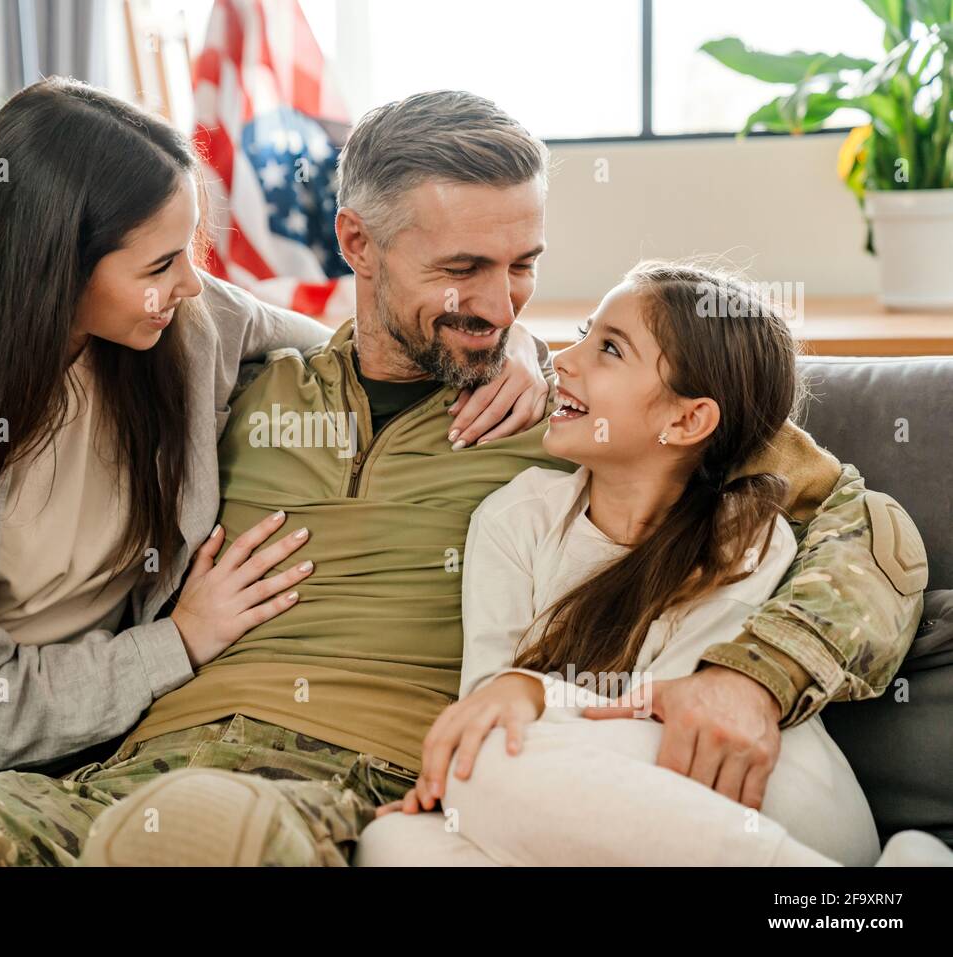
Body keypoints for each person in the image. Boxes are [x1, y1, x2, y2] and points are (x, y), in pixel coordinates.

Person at [0, 90, 925, 867]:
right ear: (354, 245)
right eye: (462, 267)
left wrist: (754, 678)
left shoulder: (582, 410)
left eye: (524, 266)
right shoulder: (210, 369)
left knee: (201, 839)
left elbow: (865, 527)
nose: (505, 306)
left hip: (348, 789)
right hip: (128, 766)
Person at [0, 79, 545, 867]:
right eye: (162, 264)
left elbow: (368, 349)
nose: (194, 284)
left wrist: (527, 352)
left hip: (111, 745)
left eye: (189, 252)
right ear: (56, 268)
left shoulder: (188, 334)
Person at [359, 262, 950, 867]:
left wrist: (528, 698)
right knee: (395, 843)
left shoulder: (744, 533)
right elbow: (487, 704)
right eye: (586, 333)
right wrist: (487, 738)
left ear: (687, 419)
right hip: (610, 801)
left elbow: (676, 712)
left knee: (484, 766)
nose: (564, 359)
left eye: (610, 349)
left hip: (761, 794)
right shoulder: (513, 518)